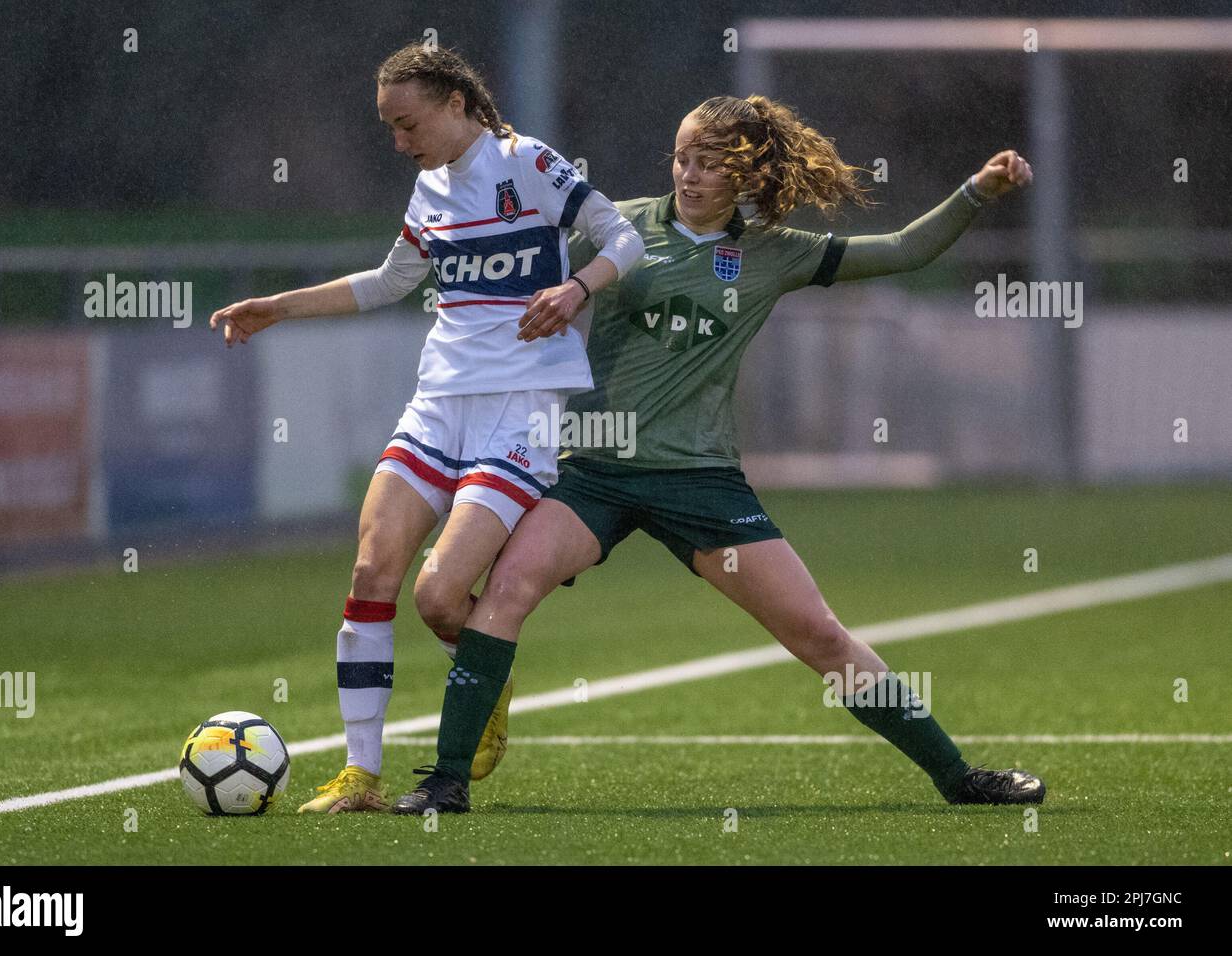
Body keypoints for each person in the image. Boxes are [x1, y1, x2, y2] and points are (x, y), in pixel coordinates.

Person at [392, 94, 1044, 814]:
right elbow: (515, 263)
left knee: (818, 634)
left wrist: (975, 192)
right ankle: (446, 783)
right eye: (681, 158)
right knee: (506, 594)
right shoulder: (620, 229)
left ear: (746, 175)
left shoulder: (772, 252)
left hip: (702, 480)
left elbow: (904, 251)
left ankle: (958, 778)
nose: (690, 175)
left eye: (709, 164)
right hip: (595, 472)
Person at [209, 43, 643, 813]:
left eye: (407, 123)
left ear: (454, 102)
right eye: (389, 128)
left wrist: (577, 288)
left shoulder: (528, 163)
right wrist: (278, 307)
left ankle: (486, 674)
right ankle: (360, 775)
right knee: (373, 572)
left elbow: (624, 240)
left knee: (441, 596)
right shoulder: (427, 191)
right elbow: (387, 283)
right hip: (438, 403)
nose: (399, 141)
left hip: (519, 405)